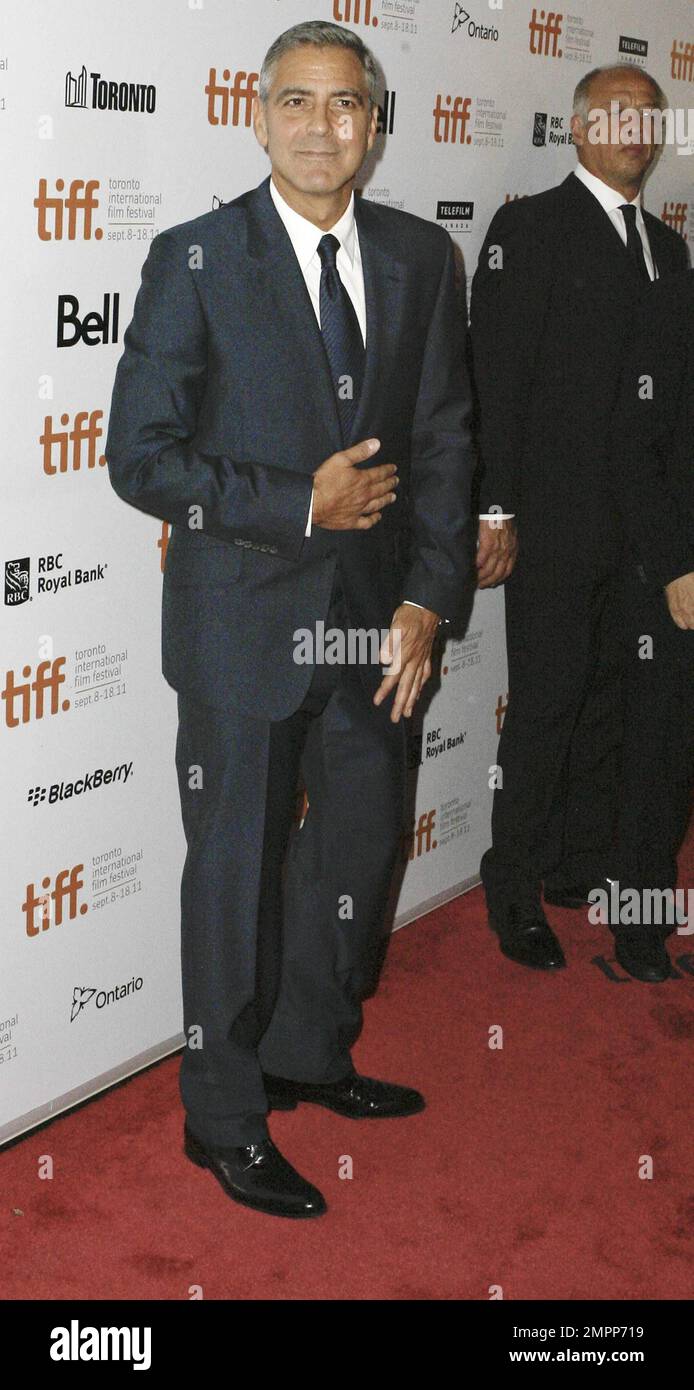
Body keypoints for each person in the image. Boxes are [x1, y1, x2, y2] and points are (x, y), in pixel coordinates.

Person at [105, 20, 473, 1218]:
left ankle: (308, 1050)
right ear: (258, 116)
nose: (324, 126)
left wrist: (429, 593)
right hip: (240, 627)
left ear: (376, 124)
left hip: (378, 628)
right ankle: (222, 1117)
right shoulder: (195, 256)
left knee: (357, 853)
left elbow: (444, 441)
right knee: (233, 877)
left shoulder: (422, 257)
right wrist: (294, 504)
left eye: (347, 105)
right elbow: (140, 458)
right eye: (300, 102)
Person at [470, 63, 689, 981]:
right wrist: (495, 508)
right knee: (548, 712)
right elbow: (497, 383)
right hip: (554, 532)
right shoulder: (531, 228)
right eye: (613, 114)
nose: (633, 129)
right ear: (576, 128)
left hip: (648, 539)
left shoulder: (671, 251)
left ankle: (576, 866)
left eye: (649, 116)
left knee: (622, 711)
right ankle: (513, 887)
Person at [607, 269, 694, 930]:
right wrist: (672, 567)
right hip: (683, 573)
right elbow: (637, 445)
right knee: (661, 752)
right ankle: (640, 918)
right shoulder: (676, 300)